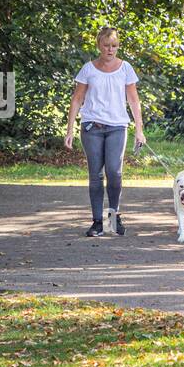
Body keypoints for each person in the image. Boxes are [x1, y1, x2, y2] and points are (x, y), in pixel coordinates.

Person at [64, 27, 146, 237]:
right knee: (95, 175)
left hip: (117, 126)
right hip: (92, 126)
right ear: (99, 45)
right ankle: (97, 222)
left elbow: (134, 100)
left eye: (114, 46)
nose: (110, 50)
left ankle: (114, 215)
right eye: (106, 46)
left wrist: (139, 129)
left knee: (114, 172)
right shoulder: (88, 69)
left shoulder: (125, 68)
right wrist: (69, 129)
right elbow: (77, 98)